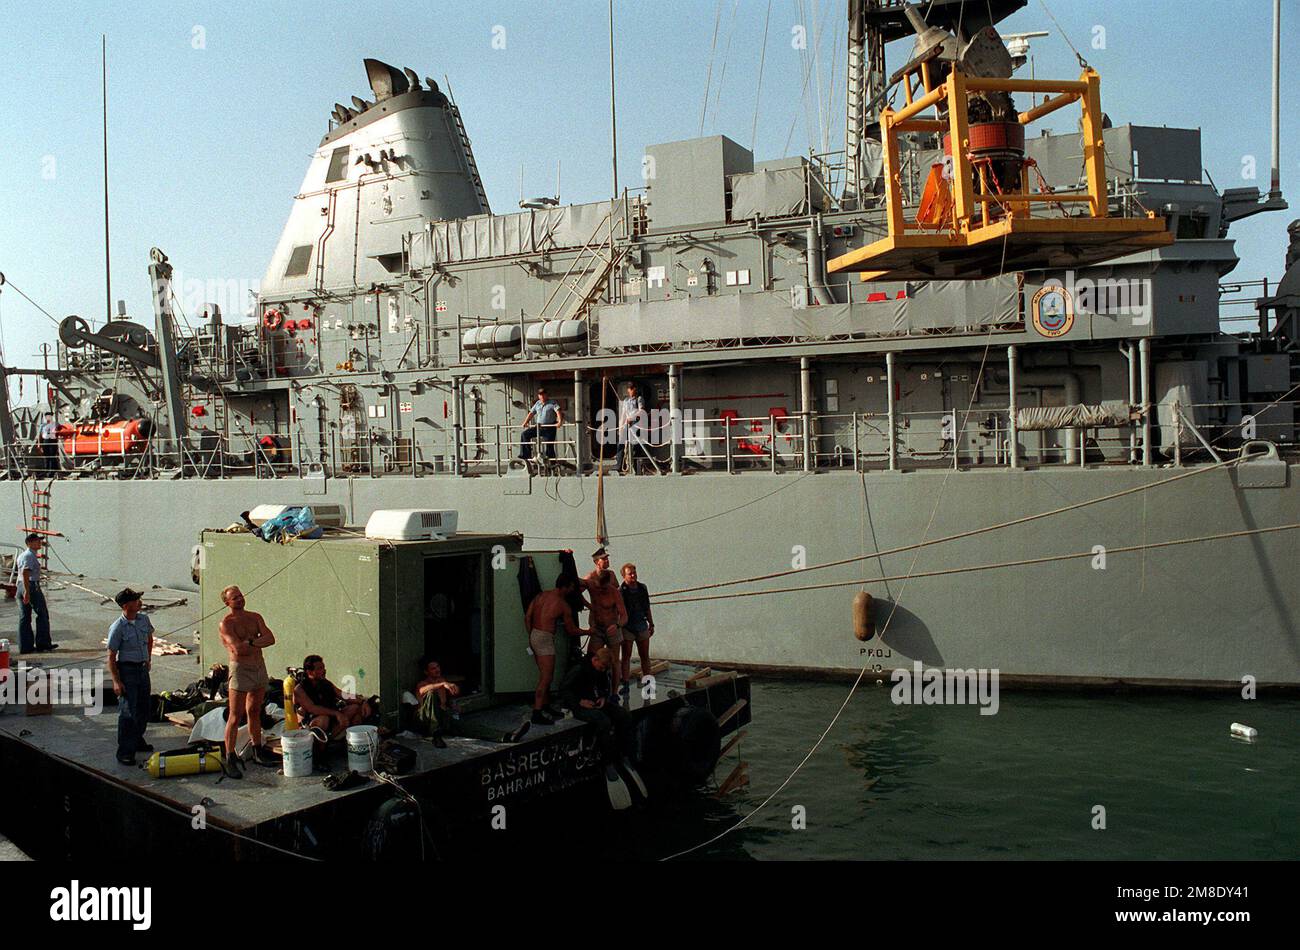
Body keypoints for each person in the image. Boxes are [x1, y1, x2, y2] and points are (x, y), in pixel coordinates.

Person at [217, 585, 279, 777]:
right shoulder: (226, 623)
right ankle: (230, 756)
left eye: (241, 595)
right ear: (227, 602)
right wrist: (255, 641)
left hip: (258, 667)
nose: (240, 599)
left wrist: (250, 642)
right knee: (235, 715)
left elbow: (271, 638)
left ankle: (257, 749)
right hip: (240, 670)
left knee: (255, 710)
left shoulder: (255, 617)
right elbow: (237, 649)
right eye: (235, 598)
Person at [559, 646, 638, 782]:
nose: (602, 670)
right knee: (604, 722)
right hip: (580, 704)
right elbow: (564, 690)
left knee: (624, 716)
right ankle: (608, 763)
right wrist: (579, 701)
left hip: (595, 701)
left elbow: (604, 687)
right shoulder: (579, 669)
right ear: (595, 659)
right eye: (601, 667)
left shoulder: (602, 670)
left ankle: (625, 753)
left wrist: (603, 697)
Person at [523, 573, 588, 725]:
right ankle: (537, 712)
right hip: (545, 639)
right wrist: (588, 631)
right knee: (546, 677)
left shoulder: (541, 595)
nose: (573, 590)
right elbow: (572, 630)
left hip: (534, 634)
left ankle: (545, 706)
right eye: (572, 587)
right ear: (566, 587)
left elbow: (527, 617)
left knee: (544, 674)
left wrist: (531, 635)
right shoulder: (562, 605)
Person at [106, 588, 154, 765]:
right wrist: (116, 681)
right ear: (126, 606)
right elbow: (111, 656)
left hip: (142, 670)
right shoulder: (118, 627)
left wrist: (148, 659)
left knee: (144, 707)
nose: (139, 603)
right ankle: (125, 751)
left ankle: (137, 739)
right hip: (127, 671)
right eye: (135, 600)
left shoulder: (144, 619)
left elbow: (149, 639)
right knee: (128, 711)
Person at [293, 654, 374, 749]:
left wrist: (362, 702)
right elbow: (312, 708)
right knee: (323, 720)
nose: (324, 671)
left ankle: (343, 743)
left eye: (323, 668)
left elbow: (343, 695)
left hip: (331, 717)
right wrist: (336, 714)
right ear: (309, 672)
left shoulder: (325, 683)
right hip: (310, 724)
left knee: (355, 708)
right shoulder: (299, 689)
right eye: (319, 669)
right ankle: (320, 752)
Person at [584, 567, 627, 694]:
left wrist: (617, 625)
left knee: (614, 661)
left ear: (608, 584)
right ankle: (591, 690)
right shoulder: (592, 585)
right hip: (597, 629)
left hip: (612, 628)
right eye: (599, 587)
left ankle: (614, 692)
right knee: (591, 658)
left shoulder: (614, 593)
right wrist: (588, 605)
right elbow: (575, 584)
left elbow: (624, 615)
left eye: (603, 588)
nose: (601, 590)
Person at [16, 533, 56, 655]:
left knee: (25, 617)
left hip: (21, 585)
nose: (40, 543)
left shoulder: (25, 555)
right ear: (30, 543)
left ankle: (25, 646)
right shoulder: (28, 556)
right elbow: (25, 572)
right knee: (42, 614)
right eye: (37, 541)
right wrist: (27, 591)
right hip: (30, 586)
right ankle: (43, 644)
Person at [619, 562, 655, 693]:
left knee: (645, 655)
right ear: (624, 576)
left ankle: (648, 683)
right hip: (628, 627)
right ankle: (626, 684)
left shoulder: (642, 588)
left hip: (641, 625)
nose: (633, 575)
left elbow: (647, 608)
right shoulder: (621, 591)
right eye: (630, 574)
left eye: (634, 572)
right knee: (626, 656)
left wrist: (651, 623)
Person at [413, 656, 460, 745]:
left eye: (438, 667)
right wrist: (442, 684)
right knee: (431, 694)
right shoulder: (422, 684)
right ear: (426, 672)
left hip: (442, 717)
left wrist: (453, 687)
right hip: (426, 722)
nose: (437, 670)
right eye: (433, 668)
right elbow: (422, 690)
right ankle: (436, 735)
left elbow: (455, 692)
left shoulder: (442, 681)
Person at [518, 387, 563, 462]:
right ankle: (525, 455)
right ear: (538, 396)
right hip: (539, 427)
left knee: (549, 444)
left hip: (549, 427)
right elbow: (531, 413)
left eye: (543, 394)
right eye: (540, 395)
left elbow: (558, 412)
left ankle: (551, 462)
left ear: (546, 395)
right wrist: (525, 422)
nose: (542, 396)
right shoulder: (537, 403)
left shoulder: (552, 403)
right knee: (525, 434)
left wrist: (559, 422)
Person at [613, 382, 645, 474]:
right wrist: (620, 427)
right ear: (628, 390)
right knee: (620, 443)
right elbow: (623, 415)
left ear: (635, 389)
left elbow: (641, 411)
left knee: (635, 446)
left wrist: (632, 418)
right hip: (627, 424)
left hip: (636, 423)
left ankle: (636, 467)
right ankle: (619, 464)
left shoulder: (639, 399)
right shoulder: (626, 401)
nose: (631, 390)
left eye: (633, 388)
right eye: (630, 388)